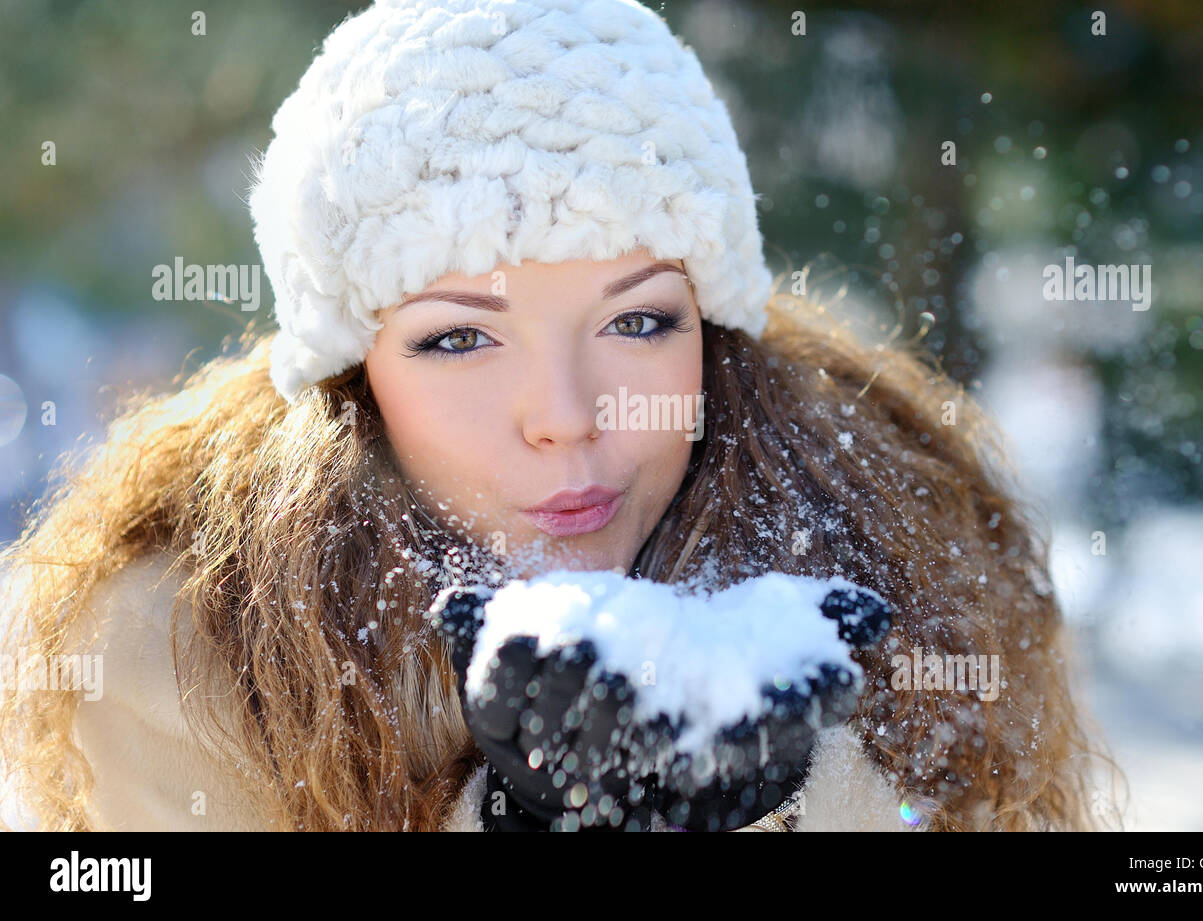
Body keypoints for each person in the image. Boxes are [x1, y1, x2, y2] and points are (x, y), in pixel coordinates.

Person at [0, 0, 1114, 832]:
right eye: (457, 338)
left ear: (713, 330)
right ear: (351, 376)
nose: (567, 420)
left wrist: (818, 793)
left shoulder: (905, 563)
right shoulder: (188, 652)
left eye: (637, 324)